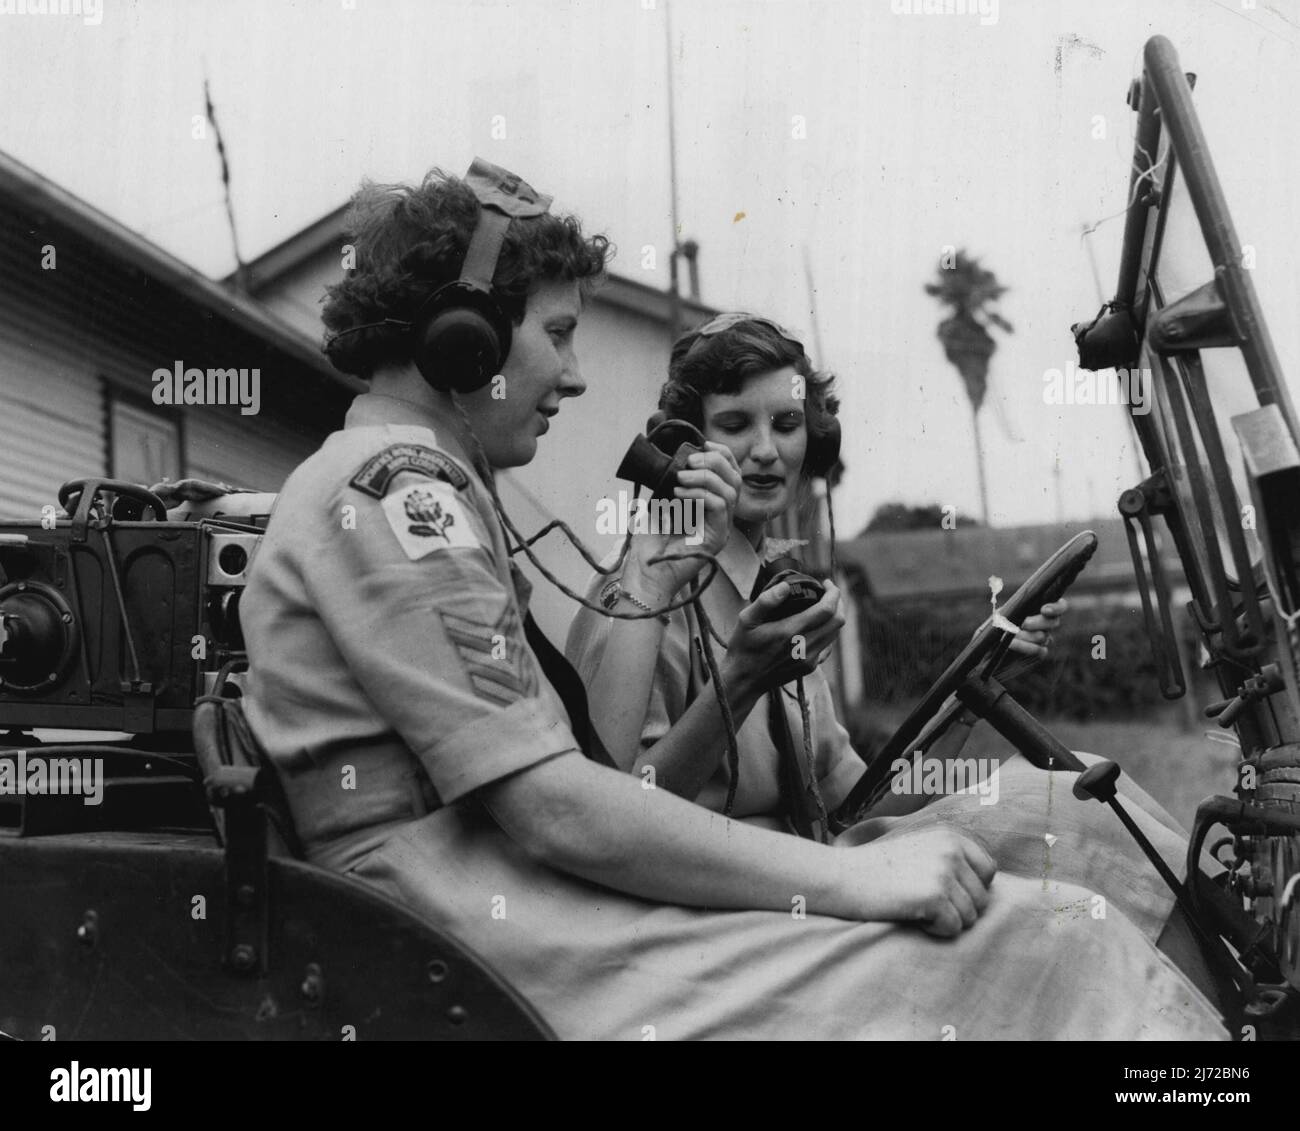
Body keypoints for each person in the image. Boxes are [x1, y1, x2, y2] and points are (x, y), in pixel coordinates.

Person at [240, 159, 1226, 1040]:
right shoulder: (394, 493)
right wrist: (850, 877)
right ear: (463, 339)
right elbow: (558, 807)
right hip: (470, 928)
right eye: (557, 332)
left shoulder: (421, 486)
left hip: (506, 900)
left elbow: (590, 795)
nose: (575, 375)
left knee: (1065, 846)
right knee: (1052, 944)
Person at [565, 312, 1227, 1002]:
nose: (765, 451)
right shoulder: (638, 599)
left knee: (1081, 787)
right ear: (686, 445)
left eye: (786, 425)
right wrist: (738, 683)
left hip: (820, 864)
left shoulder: (783, 592)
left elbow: (856, 799)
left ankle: (1231, 999)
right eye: (735, 425)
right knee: (1067, 847)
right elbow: (617, 816)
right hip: (726, 904)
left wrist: (980, 690)